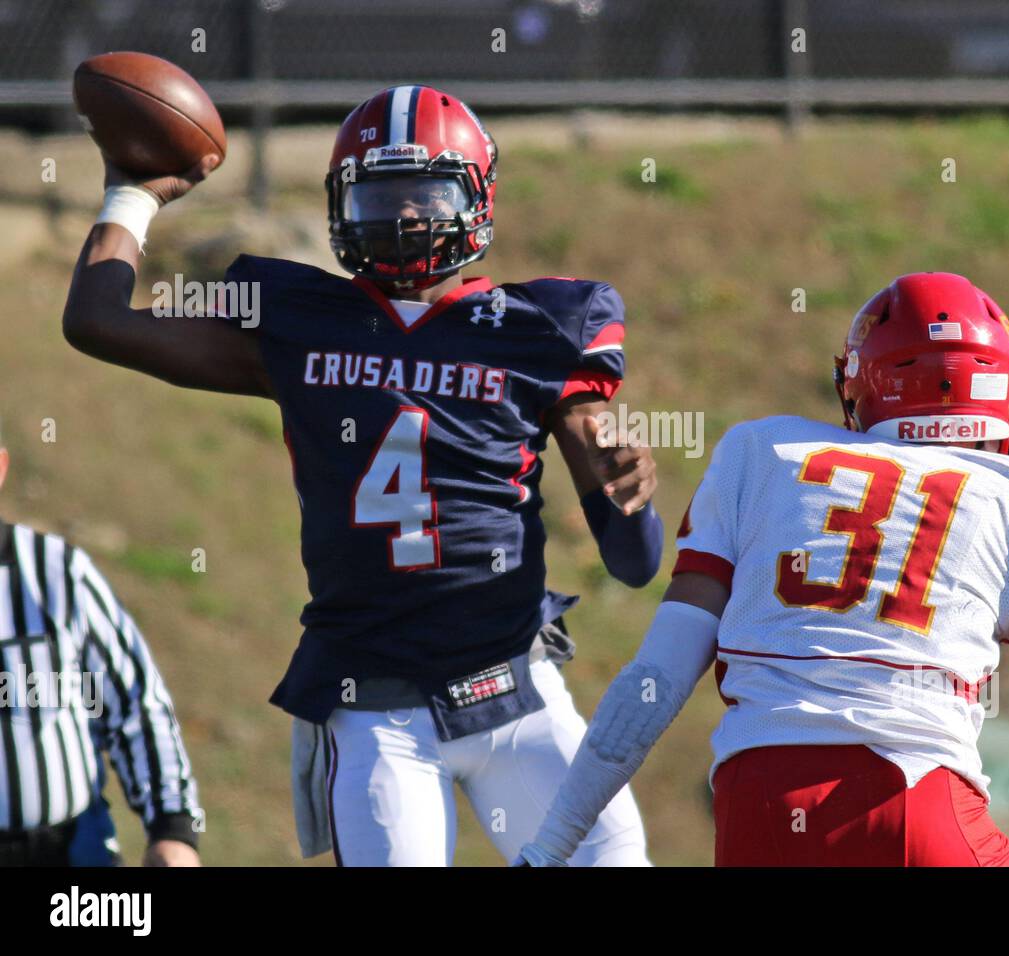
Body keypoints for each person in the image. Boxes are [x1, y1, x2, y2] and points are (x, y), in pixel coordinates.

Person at [61, 85, 658, 866]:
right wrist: (132, 194)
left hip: (515, 691)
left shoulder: (538, 329)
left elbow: (634, 561)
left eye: (426, 195)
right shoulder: (298, 319)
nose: (405, 218)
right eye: (381, 197)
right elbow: (98, 321)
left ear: (475, 197)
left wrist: (626, 486)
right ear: (342, 206)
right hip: (375, 707)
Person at [517, 271, 1009, 867]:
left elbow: (656, 678)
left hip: (755, 812)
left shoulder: (762, 450)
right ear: (1005, 392)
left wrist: (549, 847)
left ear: (861, 382)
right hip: (914, 809)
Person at [0, 436, 201, 866]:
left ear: (0, 468)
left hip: (69, 854)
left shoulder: (55, 572)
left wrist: (173, 829)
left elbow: (136, 703)